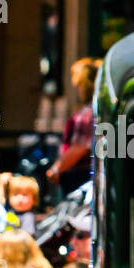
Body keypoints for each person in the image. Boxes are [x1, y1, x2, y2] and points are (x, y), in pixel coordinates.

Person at [46, 57, 100, 194]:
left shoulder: (88, 114)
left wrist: (56, 169)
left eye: (79, 84)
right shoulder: (93, 111)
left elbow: (80, 147)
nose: (77, 88)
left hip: (80, 177)